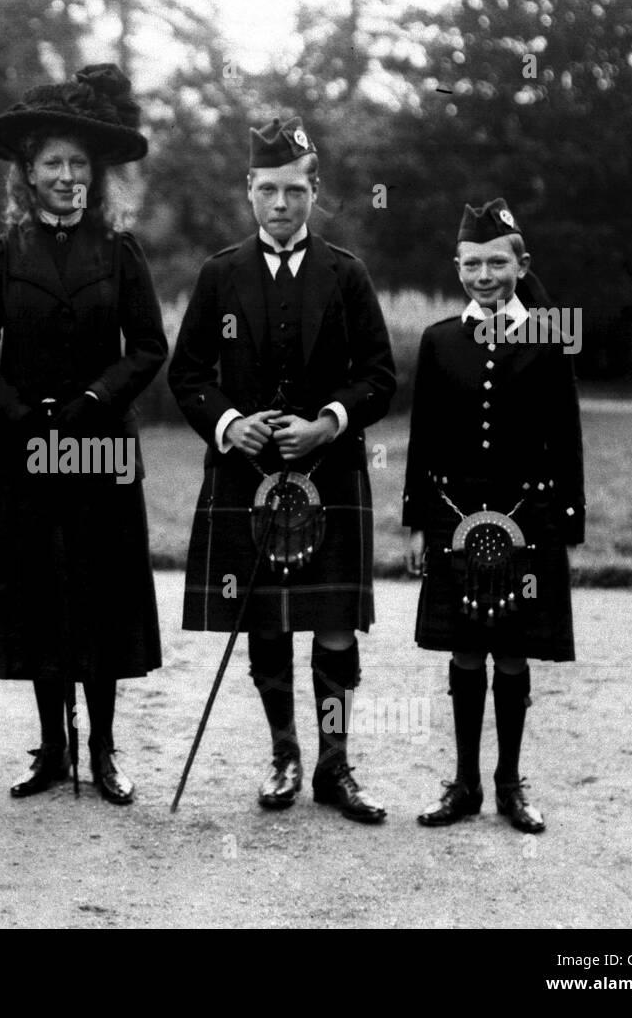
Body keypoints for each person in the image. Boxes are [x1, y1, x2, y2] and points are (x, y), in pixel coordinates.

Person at [168, 117, 396, 820]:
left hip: (330, 476)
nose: (280, 205)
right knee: (265, 623)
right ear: (249, 190)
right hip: (246, 476)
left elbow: (379, 376)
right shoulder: (219, 274)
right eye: (267, 190)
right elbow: (188, 375)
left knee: (332, 624)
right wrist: (232, 425)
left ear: (314, 190)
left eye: (294, 191)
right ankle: (284, 757)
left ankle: (334, 765)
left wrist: (328, 419)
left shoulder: (346, 273)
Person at [0, 63, 166, 805]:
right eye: (55, 164)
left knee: (101, 595)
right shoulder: (0, 257)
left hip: (100, 446)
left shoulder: (120, 253)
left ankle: (104, 751)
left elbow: (147, 348)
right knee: (41, 597)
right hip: (27, 450)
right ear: (29, 173)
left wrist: (93, 398)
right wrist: (18, 413)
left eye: (80, 164)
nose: (69, 176)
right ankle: (52, 748)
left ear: (95, 176)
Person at [405, 198, 584, 834]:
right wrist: (417, 523)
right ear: (458, 267)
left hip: (527, 519)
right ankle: (465, 784)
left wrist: (567, 521)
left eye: (497, 262)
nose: (485, 274)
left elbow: (565, 434)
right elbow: (424, 438)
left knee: (511, 653)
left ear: (521, 263)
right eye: (472, 263)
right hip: (455, 518)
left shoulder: (548, 336)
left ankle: (510, 783)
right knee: (463, 653)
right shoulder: (439, 341)